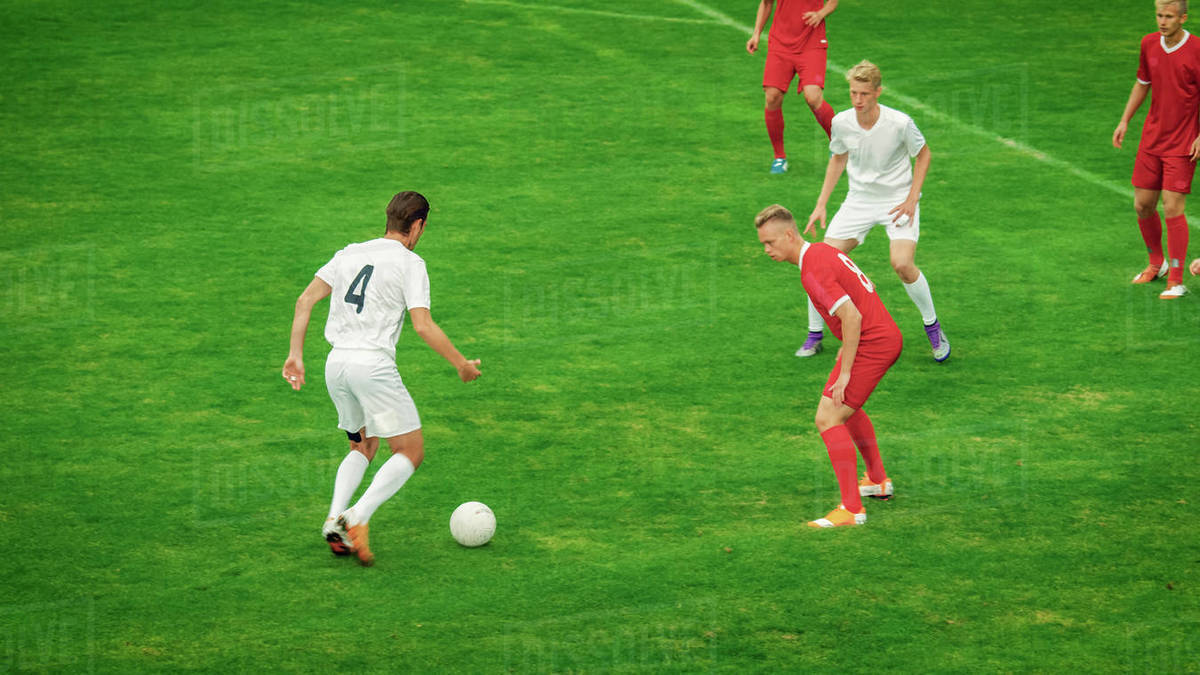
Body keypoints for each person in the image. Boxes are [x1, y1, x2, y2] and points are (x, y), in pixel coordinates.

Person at [282, 191, 482, 566]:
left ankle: (333, 520)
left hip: (336, 365)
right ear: (418, 225)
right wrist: (461, 364)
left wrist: (295, 355)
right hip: (372, 368)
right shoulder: (410, 263)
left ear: (388, 219)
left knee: (363, 446)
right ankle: (355, 518)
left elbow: (304, 300)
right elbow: (422, 325)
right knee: (410, 451)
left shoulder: (349, 253)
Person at [756, 204, 901, 528]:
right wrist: (844, 354)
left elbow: (852, 316)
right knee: (843, 406)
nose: (766, 250)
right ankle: (877, 481)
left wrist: (847, 369)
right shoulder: (821, 252)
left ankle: (852, 509)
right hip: (874, 338)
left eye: (770, 243)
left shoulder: (813, 269)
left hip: (873, 343)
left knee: (827, 416)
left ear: (789, 235)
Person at [801, 60, 949, 363]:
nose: (857, 100)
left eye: (864, 94)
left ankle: (933, 328)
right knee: (819, 261)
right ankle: (815, 334)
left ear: (878, 92)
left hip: (897, 200)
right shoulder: (841, 122)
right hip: (859, 200)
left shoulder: (899, 123)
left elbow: (924, 155)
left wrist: (911, 198)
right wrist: (821, 204)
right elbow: (838, 159)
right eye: (853, 93)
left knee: (902, 263)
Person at [1112, 0, 1199, 299]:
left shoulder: (1197, 49)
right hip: (1152, 140)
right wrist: (1125, 120)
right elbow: (1142, 83)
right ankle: (1156, 263)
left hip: (1182, 143)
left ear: (1183, 18)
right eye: (1159, 15)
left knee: (1173, 208)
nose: (1162, 21)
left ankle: (1176, 280)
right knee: (1143, 205)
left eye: (1169, 16)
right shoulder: (1149, 43)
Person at [746, 0, 839, 174]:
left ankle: (839, 145)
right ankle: (779, 158)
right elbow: (766, 3)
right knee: (772, 97)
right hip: (780, 43)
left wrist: (821, 13)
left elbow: (833, 2)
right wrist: (756, 34)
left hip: (812, 42)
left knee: (813, 96)